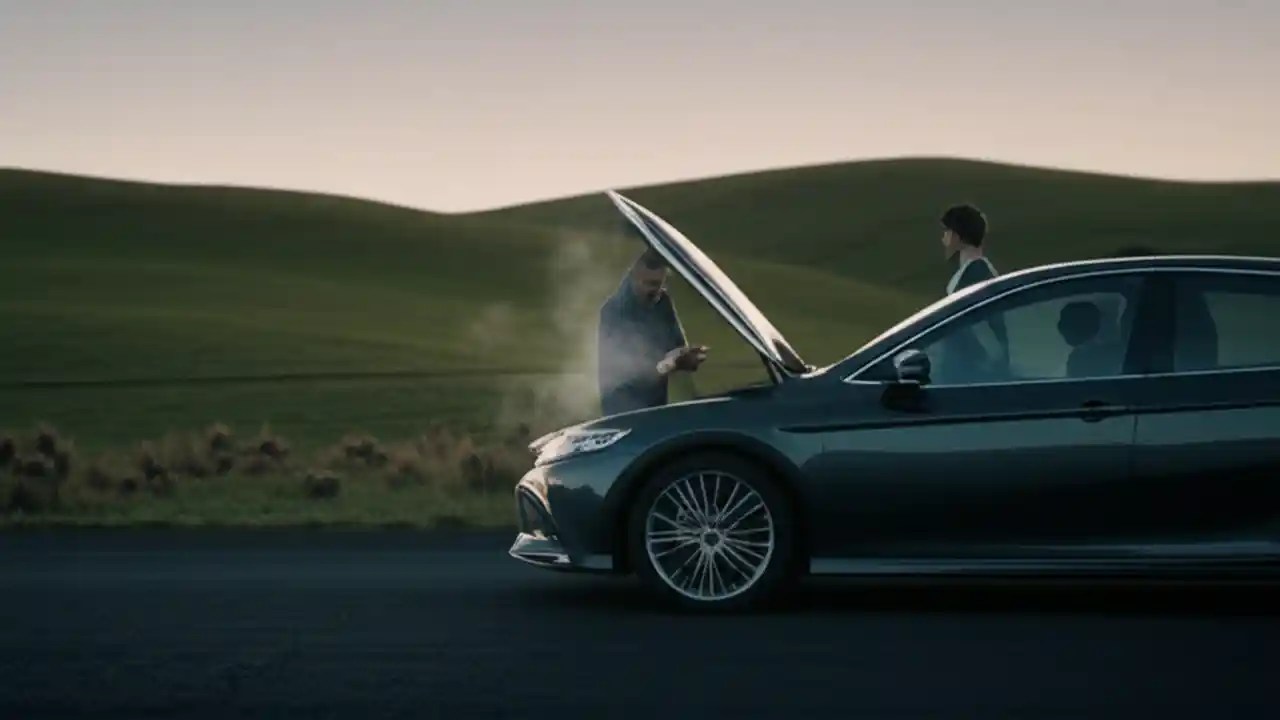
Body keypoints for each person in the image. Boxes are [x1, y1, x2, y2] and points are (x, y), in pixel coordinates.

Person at [596, 247, 707, 416]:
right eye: (649, 284)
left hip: (656, 404)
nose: (654, 291)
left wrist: (687, 356)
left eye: (659, 284)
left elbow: (677, 345)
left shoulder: (663, 302)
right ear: (634, 277)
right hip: (622, 408)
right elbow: (624, 371)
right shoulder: (614, 311)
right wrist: (668, 364)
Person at [940, 204, 998, 295]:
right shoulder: (982, 268)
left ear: (955, 236)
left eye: (946, 231)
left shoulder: (973, 275)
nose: (943, 238)